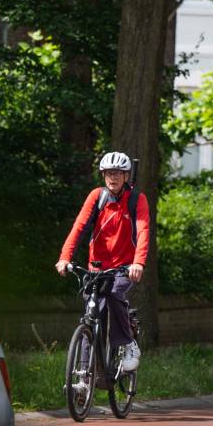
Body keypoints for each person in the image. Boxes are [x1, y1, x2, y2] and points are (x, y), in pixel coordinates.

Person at [55, 151, 150, 371]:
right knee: (91, 316)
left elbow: (143, 231)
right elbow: (78, 227)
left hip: (125, 267)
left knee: (115, 293)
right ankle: (84, 377)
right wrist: (64, 257)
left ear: (126, 176)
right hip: (96, 267)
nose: (112, 177)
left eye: (117, 172)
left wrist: (138, 263)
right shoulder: (97, 196)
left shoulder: (137, 199)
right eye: (107, 172)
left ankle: (128, 343)